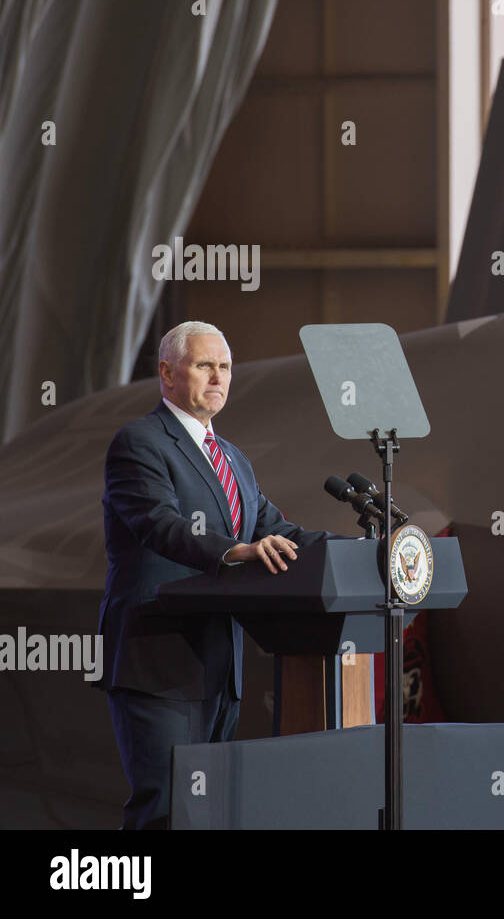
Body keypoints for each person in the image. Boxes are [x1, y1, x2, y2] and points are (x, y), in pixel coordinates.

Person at [97, 320, 341, 828]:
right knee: (165, 811)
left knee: (204, 816)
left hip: (219, 665)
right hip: (158, 661)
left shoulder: (233, 459)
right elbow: (159, 525)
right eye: (204, 365)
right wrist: (239, 551)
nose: (218, 377)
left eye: (225, 367)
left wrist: (362, 550)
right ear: (166, 372)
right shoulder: (139, 443)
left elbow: (279, 530)